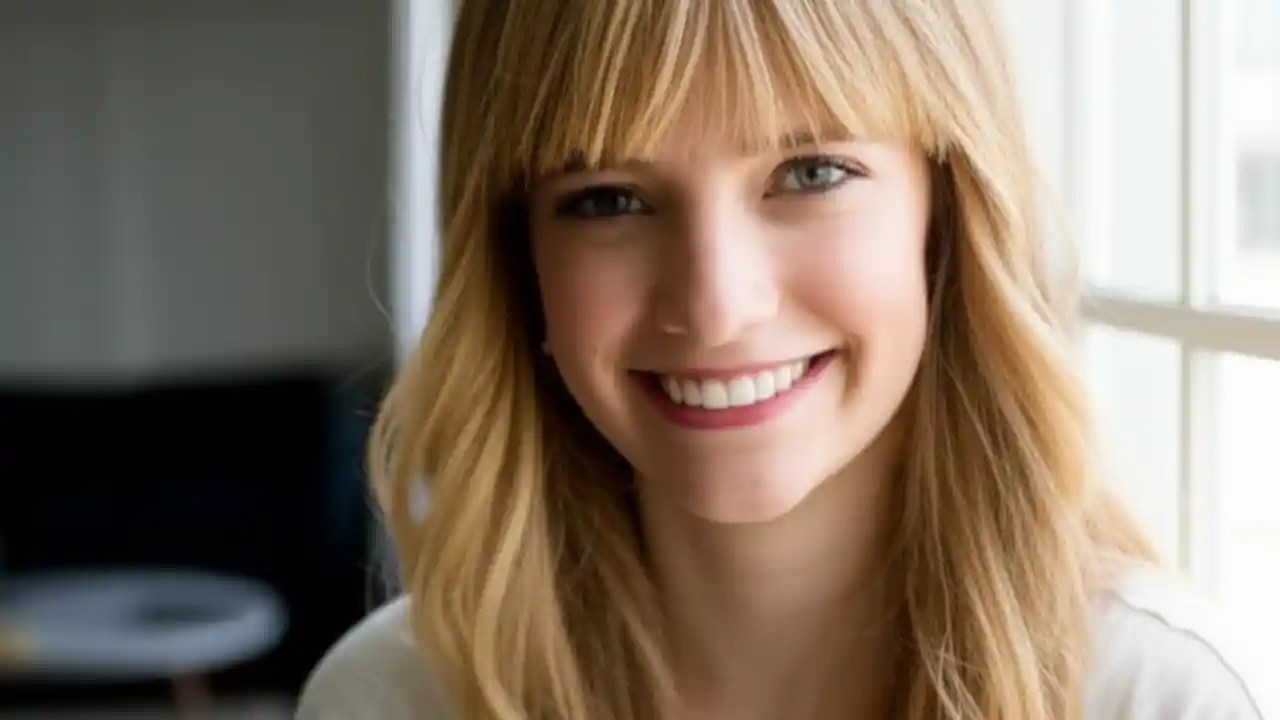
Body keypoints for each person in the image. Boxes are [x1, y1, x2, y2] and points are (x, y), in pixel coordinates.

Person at [297, 0, 1265, 717]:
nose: (715, 307)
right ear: (518, 264)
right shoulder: (386, 700)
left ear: (945, 216)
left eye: (810, 174)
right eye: (607, 198)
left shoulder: (1161, 698)